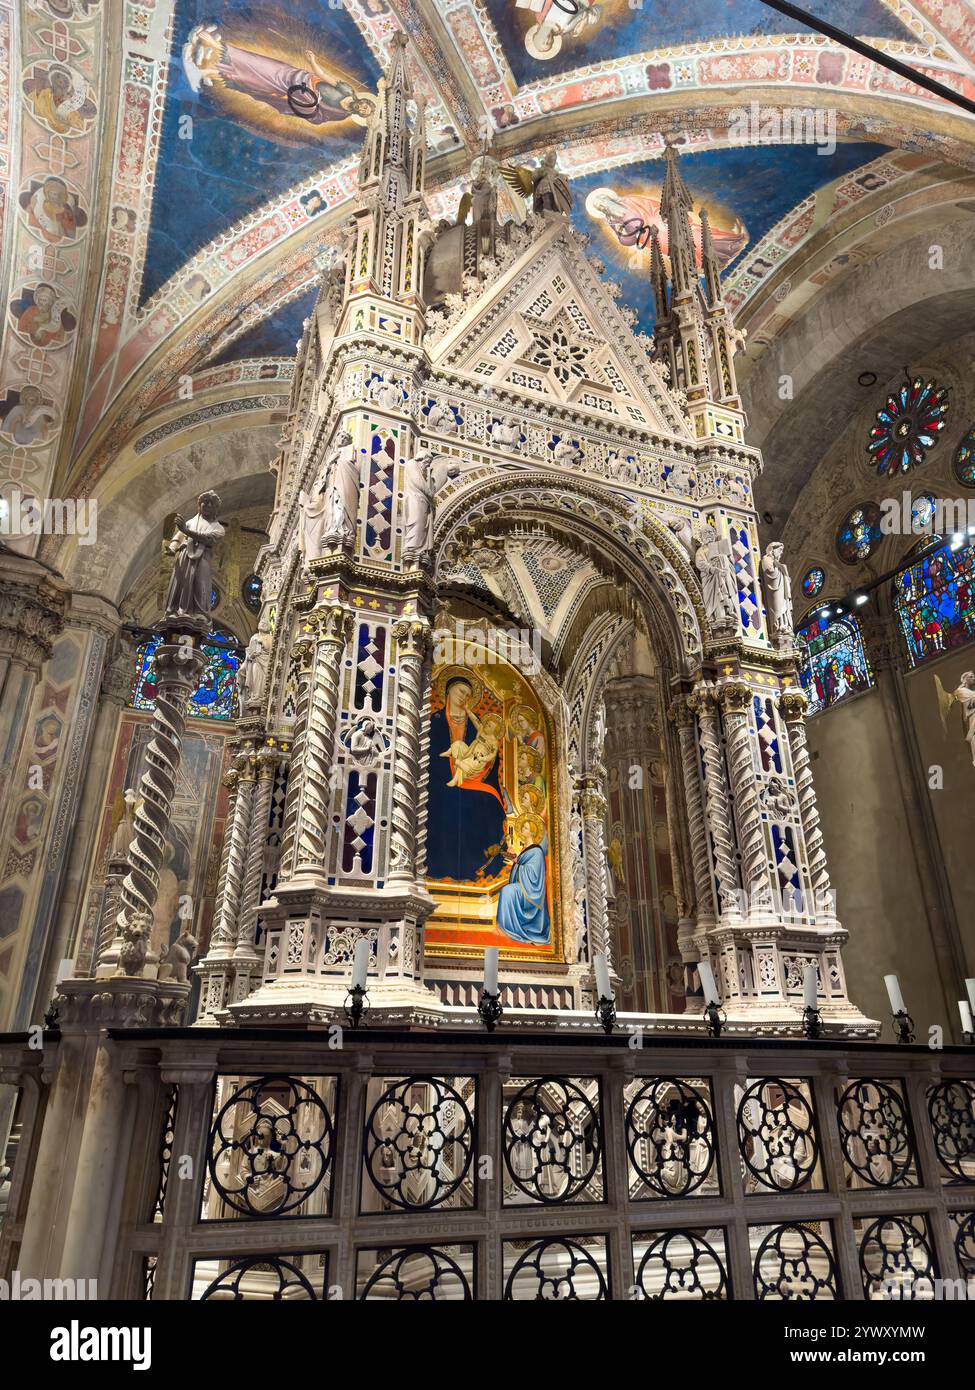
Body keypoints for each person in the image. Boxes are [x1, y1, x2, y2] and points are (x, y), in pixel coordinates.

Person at [165, 490, 224, 620]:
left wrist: (186, 530)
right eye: (204, 502)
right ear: (199, 505)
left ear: (215, 509)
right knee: (180, 581)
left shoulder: (218, 528)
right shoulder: (191, 522)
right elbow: (179, 537)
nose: (207, 505)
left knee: (200, 582)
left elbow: (208, 539)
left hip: (203, 556)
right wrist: (173, 548)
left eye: (211, 503)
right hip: (185, 554)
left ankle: (199, 613)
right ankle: (175, 610)